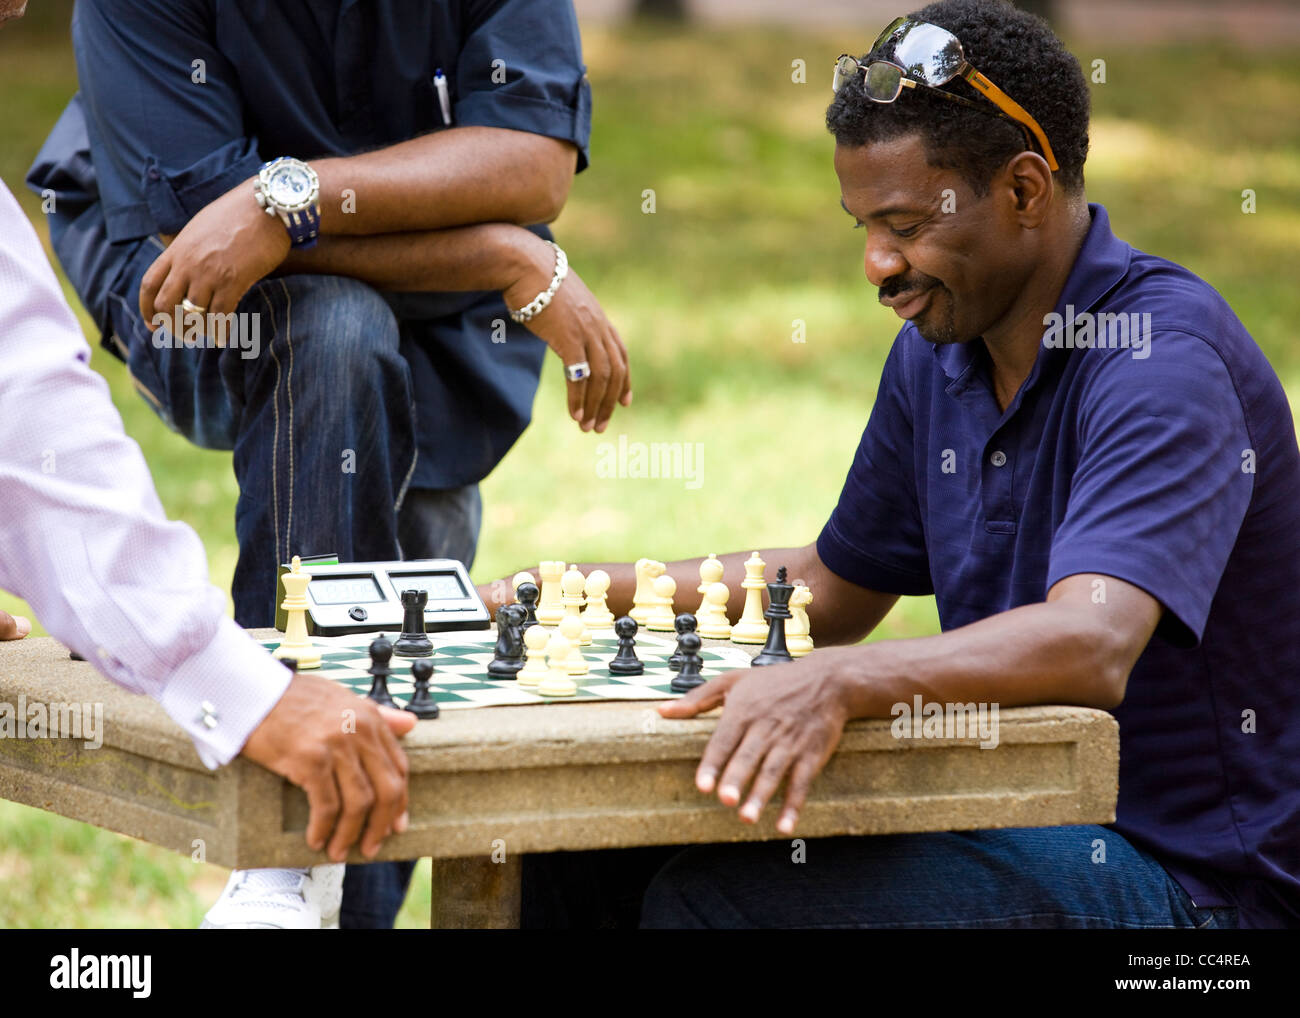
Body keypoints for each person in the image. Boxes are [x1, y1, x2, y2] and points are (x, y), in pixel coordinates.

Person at [502, 0, 1300, 929]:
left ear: (1026, 191)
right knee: (574, 850)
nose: (878, 265)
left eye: (908, 224)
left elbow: (1091, 642)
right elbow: (832, 592)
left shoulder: (1162, 361)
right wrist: (564, 590)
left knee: (717, 906)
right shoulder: (938, 346)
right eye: (863, 229)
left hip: (1199, 905)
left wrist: (840, 683)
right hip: (1017, 815)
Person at [26, 0, 629, 928]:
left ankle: (332, 898)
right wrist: (496, 251)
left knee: (411, 574)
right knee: (336, 333)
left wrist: (290, 198)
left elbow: (530, 159)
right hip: (175, 270)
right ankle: (284, 847)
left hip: (439, 318)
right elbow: (206, 224)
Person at [0, 0, 415, 931]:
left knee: (389, 677)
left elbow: (532, 162)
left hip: (437, 349)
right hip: (233, 303)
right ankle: (285, 867)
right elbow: (36, 459)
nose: (25, 6)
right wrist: (244, 691)